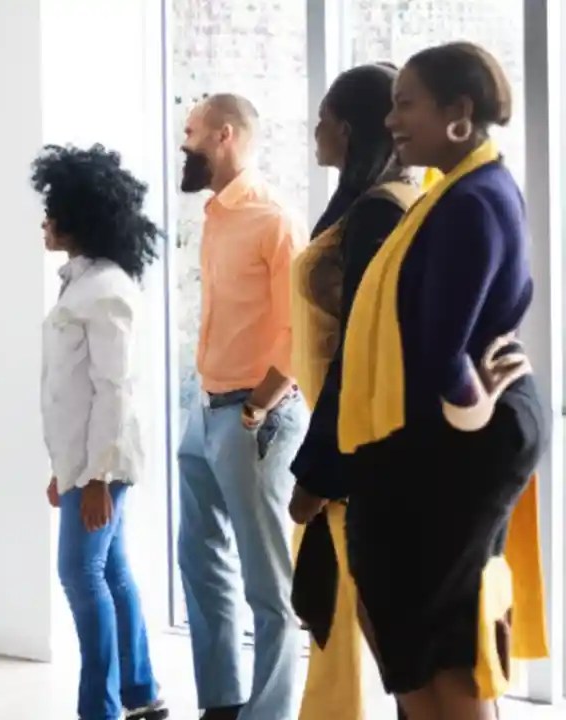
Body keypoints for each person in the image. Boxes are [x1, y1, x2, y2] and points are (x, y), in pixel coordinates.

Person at [327, 41, 549, 720]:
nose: (393, 119)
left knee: (441, 638)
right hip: (447, 432)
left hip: (459, 440)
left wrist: (473, 408)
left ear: (458, 113)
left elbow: (441, 346)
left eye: (406, 103)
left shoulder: (471, 200)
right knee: (414, 629)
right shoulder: (453, 192)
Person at [286, 63, 421, 720]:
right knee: (363, 623)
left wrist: (321, 468)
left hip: (358, 449)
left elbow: (361, 353)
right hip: (354, 443)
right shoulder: (380, 203)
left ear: (345, 128)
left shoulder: (377, 214)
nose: (314, 128)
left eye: (322, 117)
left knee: (395, 640)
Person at [175, 94, 309, 720]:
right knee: (201, 563)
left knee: (267, 585)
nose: (183, 139)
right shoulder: (216, 215)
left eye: (191, 130)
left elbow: (299, 331)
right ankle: (223, 704)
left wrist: (257, 407)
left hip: (255, 417)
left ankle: (271, 713)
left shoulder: (273, 218)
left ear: (223, 136)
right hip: (205, 412)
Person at [32, 143, 169, 720]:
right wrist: (66, 470)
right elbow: (74, 390)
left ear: (79, 216)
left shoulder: (106, 290)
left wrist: (96, 478)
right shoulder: (83, 282)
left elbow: (116, 390)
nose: (45, 220)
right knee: (110, 570)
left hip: (102, 465)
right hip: (84, 462)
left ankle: (101, 710)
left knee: (79, 572)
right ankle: (140, 694)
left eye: (54, 209)